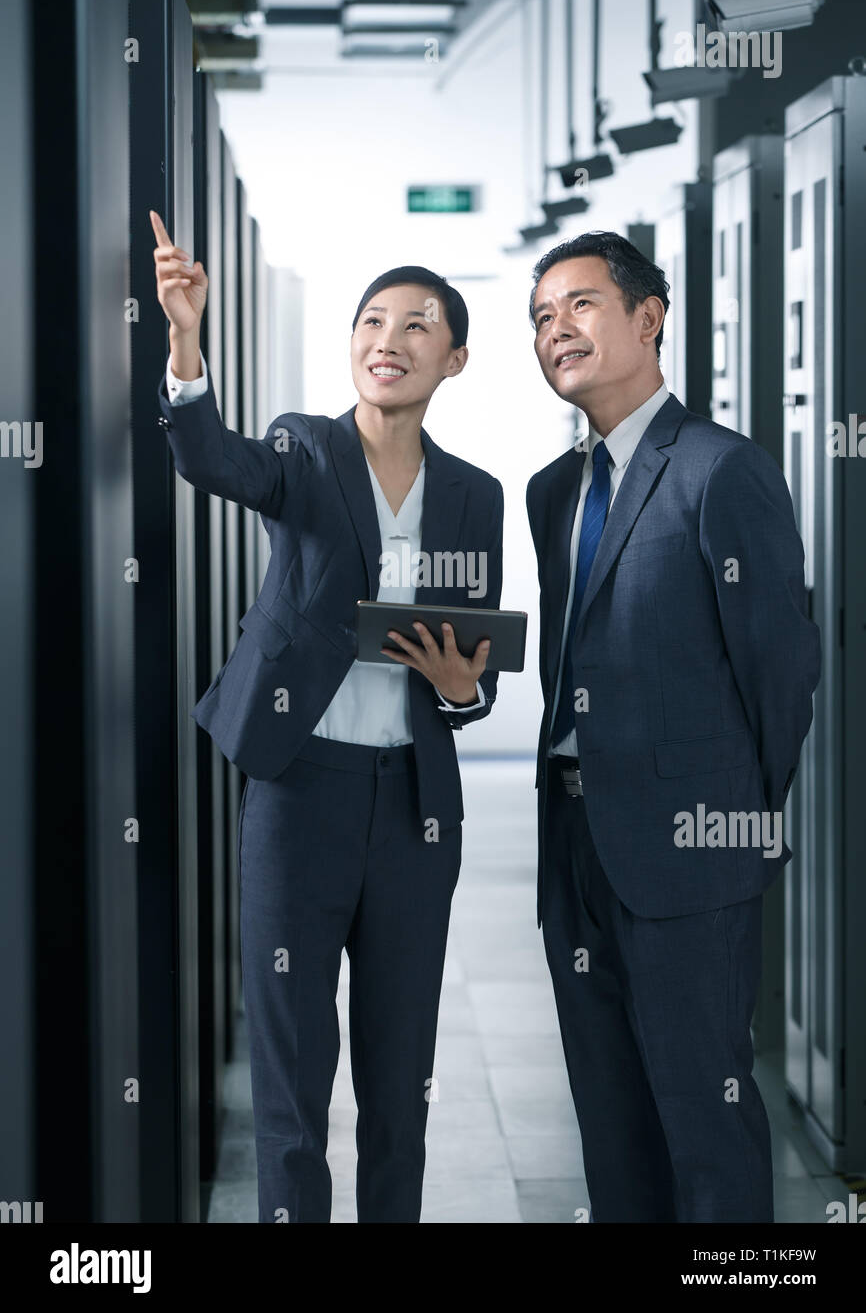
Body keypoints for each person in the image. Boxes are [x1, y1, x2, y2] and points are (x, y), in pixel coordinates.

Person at [149, 209, 504, 1223]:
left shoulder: (475, 496)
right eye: (371, 321)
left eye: (416, 325)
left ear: (456, 358)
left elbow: (472, 668)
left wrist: (458, 690)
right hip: (298, 790)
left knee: (400, 1076)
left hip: (411, 807)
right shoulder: (300, 449)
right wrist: (184, 338)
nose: (386, 341)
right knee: (293, 1071)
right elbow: (211, 459)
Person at [525, 230, 821, 1222]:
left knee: (704, 1116)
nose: (554, 329)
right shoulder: (551, 491)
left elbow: (780, 672)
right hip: (571, 847)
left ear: (647, 318)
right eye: (538, 316)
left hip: (689, 850)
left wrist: (736, 815)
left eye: (578, 304)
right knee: (609, 1124)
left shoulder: (718, 470)